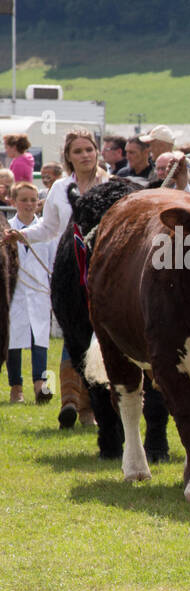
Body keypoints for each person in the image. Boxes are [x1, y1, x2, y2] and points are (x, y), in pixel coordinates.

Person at [3, 129, 111, 428]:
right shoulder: (60, 189)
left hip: (105, 270)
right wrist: (21, 236)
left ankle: (89, 409)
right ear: (68, 157)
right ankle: (70, 402)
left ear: (97, 151)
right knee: (73, 336)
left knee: (100, 340)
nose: (85, 155)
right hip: (70, 270)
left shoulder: (110, 185)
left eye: (89, 149)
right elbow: (49, 228)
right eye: (78, 151)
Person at [6, 182, 56, 404]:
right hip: (14, 293)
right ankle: (16, 387)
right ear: (13, 201)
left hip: (39, 293)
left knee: (40, 338)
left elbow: (53, 263)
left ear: (38, 203)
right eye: (23, 200)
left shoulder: (47, 230)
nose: (28, 204)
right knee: (13, 340)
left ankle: (40, 384)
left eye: (32, 200)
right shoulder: (5, 229)